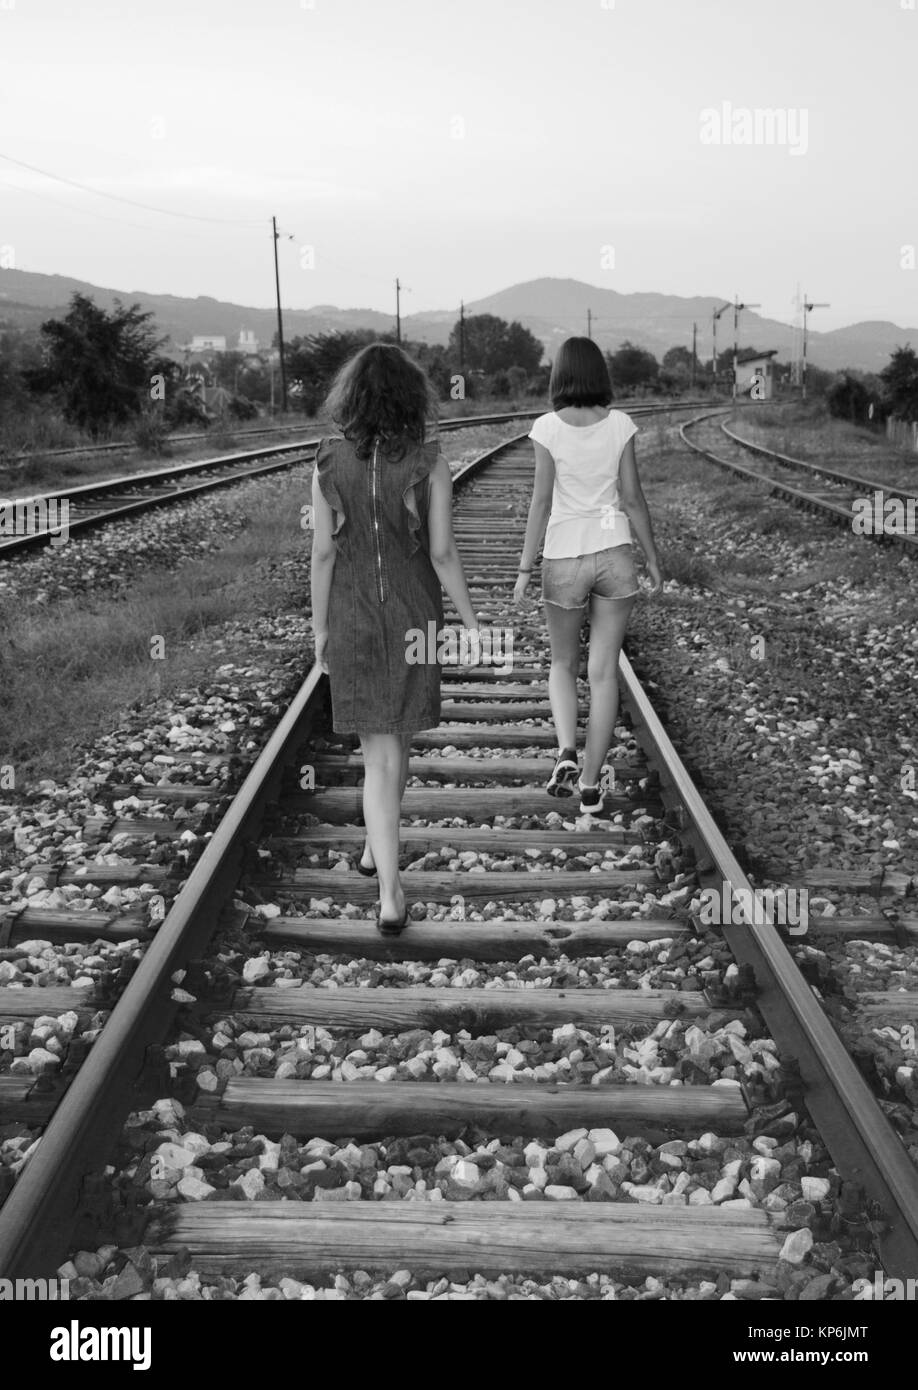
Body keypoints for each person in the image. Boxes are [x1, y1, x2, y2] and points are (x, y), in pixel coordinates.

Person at [310, 343, 480, 934]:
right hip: (414, 620)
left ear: (351, 397)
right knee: (396, 747)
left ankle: (378, 866)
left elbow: (324, 554)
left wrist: (321, 629)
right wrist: (471, 620)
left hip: (355, 619)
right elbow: (441, 552)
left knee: (377, 756)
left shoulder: (328, 461)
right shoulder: (430, 461)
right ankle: (387, 883)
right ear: (412, 397)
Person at [513, 336, 663, 814]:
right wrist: (653, 558)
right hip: (614, 551)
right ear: (600, 374)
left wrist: (523, 569)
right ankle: (593, 788)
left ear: (559, 375)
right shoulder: (620, 425)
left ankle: (565, 753)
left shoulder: (545, 428)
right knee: (602, 674)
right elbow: (634, 498)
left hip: (563, 555)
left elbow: (540, 502)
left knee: (561, 664)